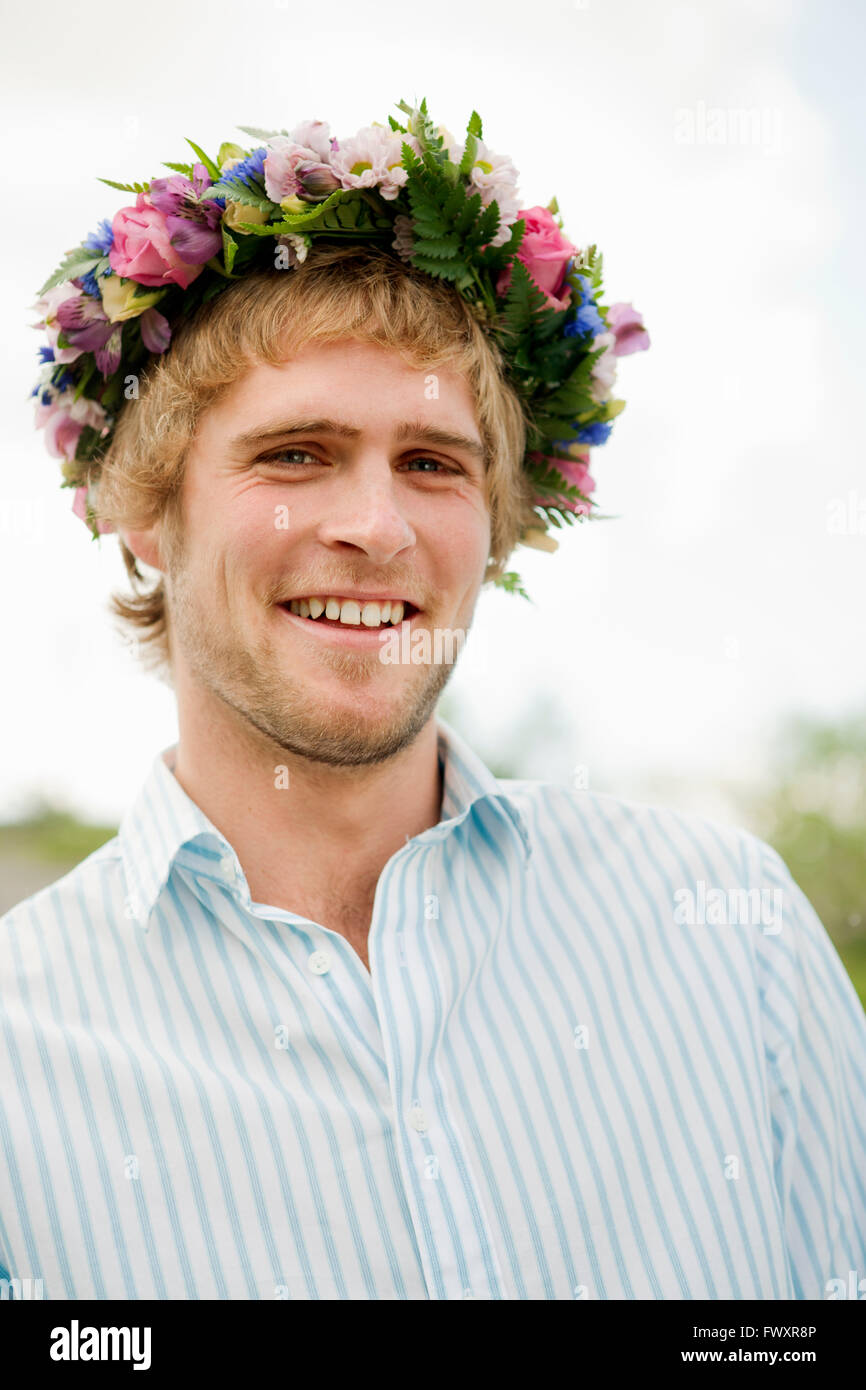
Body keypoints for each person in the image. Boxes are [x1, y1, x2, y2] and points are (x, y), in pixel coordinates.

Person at [2, 104, 863, 1302]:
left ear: (497, 528)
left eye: (432, 462)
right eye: (295, 453)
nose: (376, 525)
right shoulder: (16, 1054)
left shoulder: (733, 938)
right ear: (145, 509)